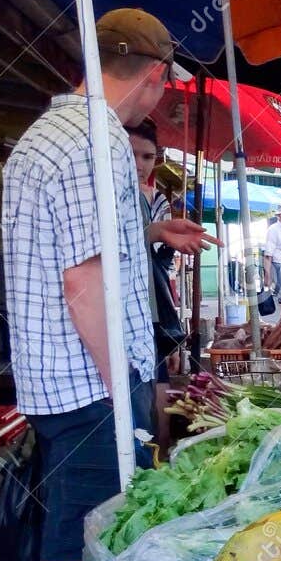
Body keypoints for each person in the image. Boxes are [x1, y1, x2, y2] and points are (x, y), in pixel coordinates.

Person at [3, 8, 210, 561]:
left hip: (62, 382)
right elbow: (84, 280)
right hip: (90, 387)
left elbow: (75, 251)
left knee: (79, 530)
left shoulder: (50, 135)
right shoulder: (99, 142)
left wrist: (150, 233)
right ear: (156, 75)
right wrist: (121, 386)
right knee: (81, 545)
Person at [125, 119, 183, 378]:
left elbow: (160, 263)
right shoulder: (101, 197)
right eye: (131, 154)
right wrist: (156, 232)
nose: (138, 164)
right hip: (117, 312)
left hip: (151, 306)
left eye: (147, 156)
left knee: (156, 381)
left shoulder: (154, 199)